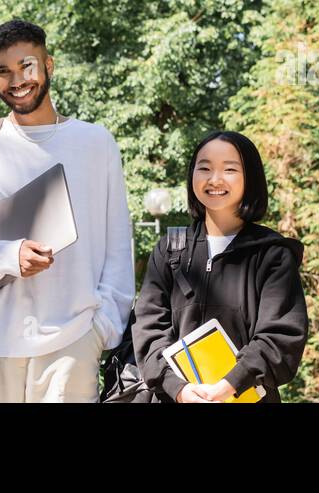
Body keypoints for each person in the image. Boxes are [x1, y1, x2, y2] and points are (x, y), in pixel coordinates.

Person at [0, 19, 135, 403]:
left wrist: (100, 329)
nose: (16, 80)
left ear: (49, 64)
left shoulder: (96, 143)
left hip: (72, 342)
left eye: (26, 66)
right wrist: (8, 255)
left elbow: (118, 246)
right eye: (3, 72)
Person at [132, 131, 309, 403]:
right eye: (204, 168)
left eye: (229, 169)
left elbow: (281, 337)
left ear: (250, 178)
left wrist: (229, 385)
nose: (214, 179)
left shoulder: (272, 254)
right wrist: (179, 389)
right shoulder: (171, 248)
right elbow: (148, 328)